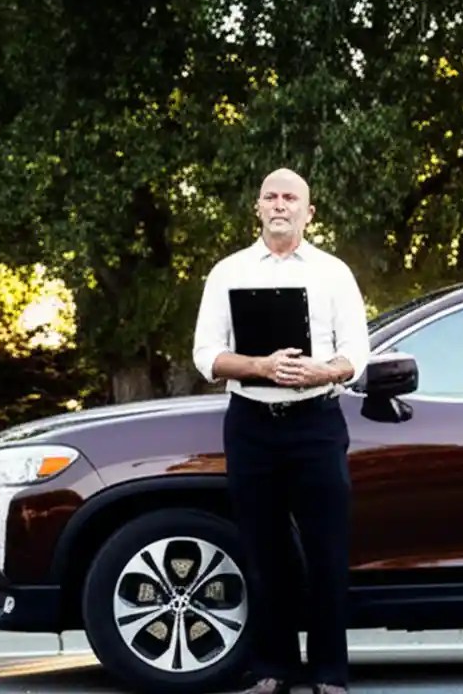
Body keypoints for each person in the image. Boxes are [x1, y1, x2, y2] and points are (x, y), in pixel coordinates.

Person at [192, 167, 370, 694]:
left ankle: (330, 674)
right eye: (271, 195)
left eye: (290, 197)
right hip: (250, 423)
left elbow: (356, 352)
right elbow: (206, 354)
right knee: (263, 549)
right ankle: (272, 669)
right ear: (257, 207)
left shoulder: (335, 273)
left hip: (316, 421)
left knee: (326, 549)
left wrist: (324, 371)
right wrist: (259, 367)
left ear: (308, 212)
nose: (280, 204)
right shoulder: (227, 272)